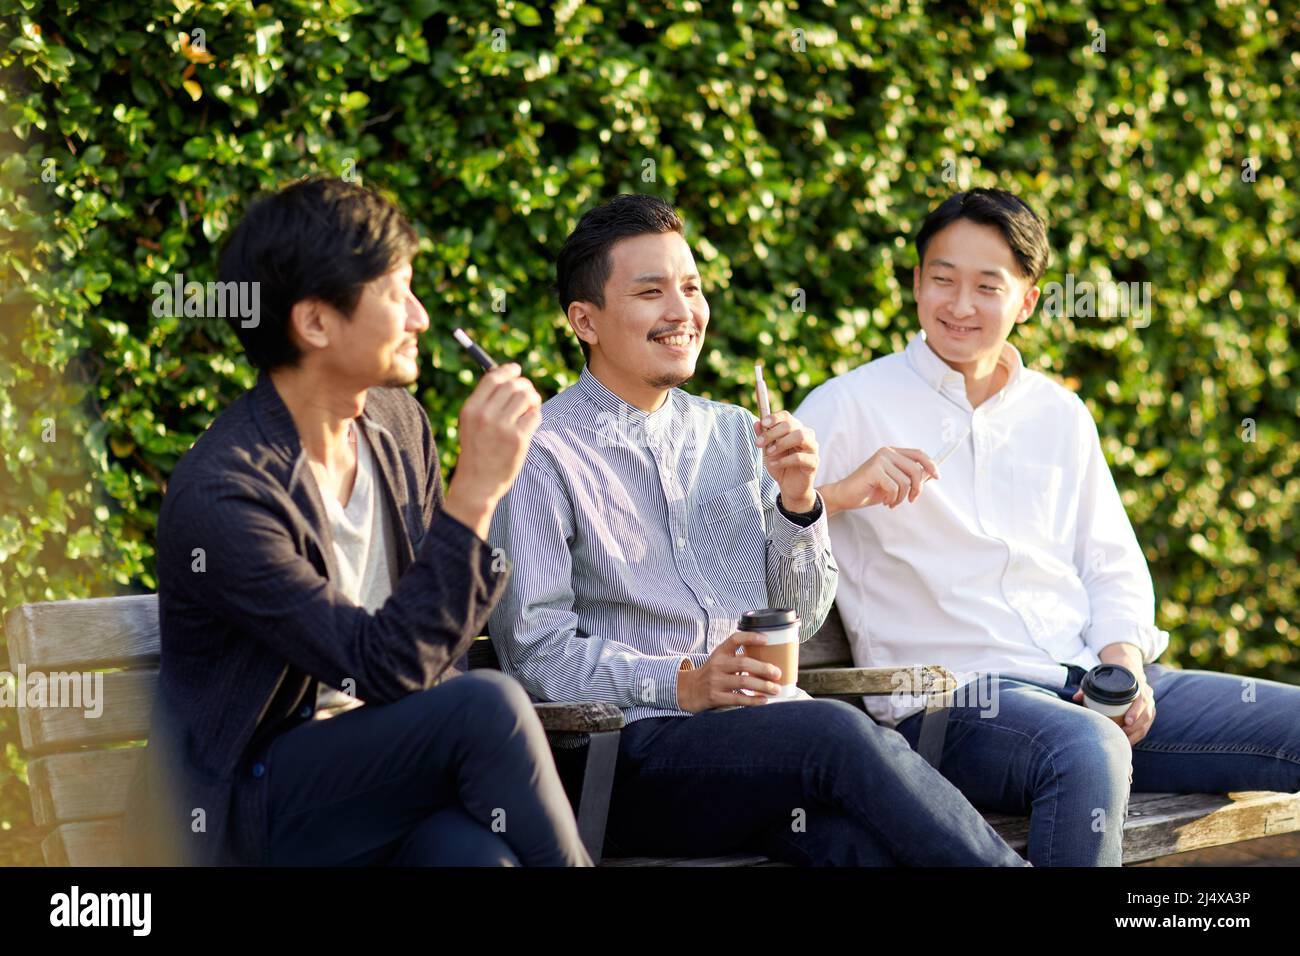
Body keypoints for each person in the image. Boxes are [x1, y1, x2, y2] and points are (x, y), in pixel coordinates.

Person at [486, 192, 1027, 866]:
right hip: (630, 761)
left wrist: (799, 504)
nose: (683, 312)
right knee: (835, 735)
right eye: (652, 292)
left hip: (765, 748)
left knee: (851, 851)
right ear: (584, 319)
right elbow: (535, 654)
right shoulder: (542, 452)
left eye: (691, 287)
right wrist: (681, 683)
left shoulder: (733, 432)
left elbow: (798, 618)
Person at [796, 187, 1300, 866]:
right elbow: (763, 547)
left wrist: (1122, 662)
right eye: (941, 280)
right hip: (953, 705)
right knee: (1084, 749)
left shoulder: (1058, 415)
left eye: (987, 286)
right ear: (916, 283)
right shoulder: (847, 407)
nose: (960, 305)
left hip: (1088, 683)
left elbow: (1110, 564)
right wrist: (837, 492)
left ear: (1028, 300)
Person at [123, 177, 590, 867]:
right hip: (250, 808)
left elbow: (439, 643)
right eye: (397, 292)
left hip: (379, 781)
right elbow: (384, 664)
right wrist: (478, 492)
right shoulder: (226, 494)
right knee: (485, 707)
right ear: (315, 322)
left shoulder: (398, 426)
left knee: (473, 860)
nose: (421, 317)